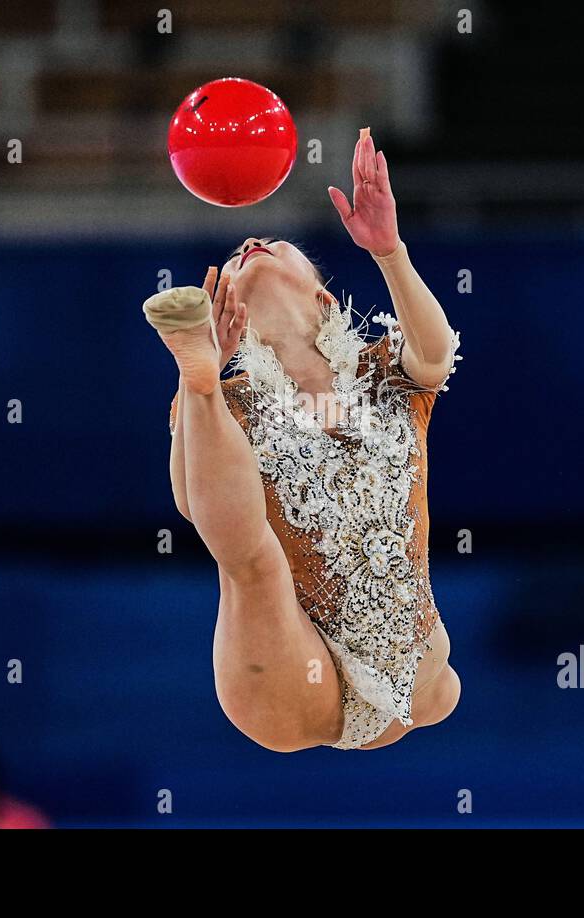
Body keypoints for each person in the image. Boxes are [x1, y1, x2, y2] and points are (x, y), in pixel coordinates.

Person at [144, 128, 462, 752]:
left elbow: (436, 354)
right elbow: (191, 502)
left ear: (322, 298)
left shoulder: (380, 373)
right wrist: (202, 387)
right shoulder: (229, 405)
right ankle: (196, 370)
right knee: (254, 563)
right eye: (237, 254)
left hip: (412, 677)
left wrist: (390, 250)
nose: (252, 243)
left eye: (273, 243)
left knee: (437, 685)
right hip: (293, 677)